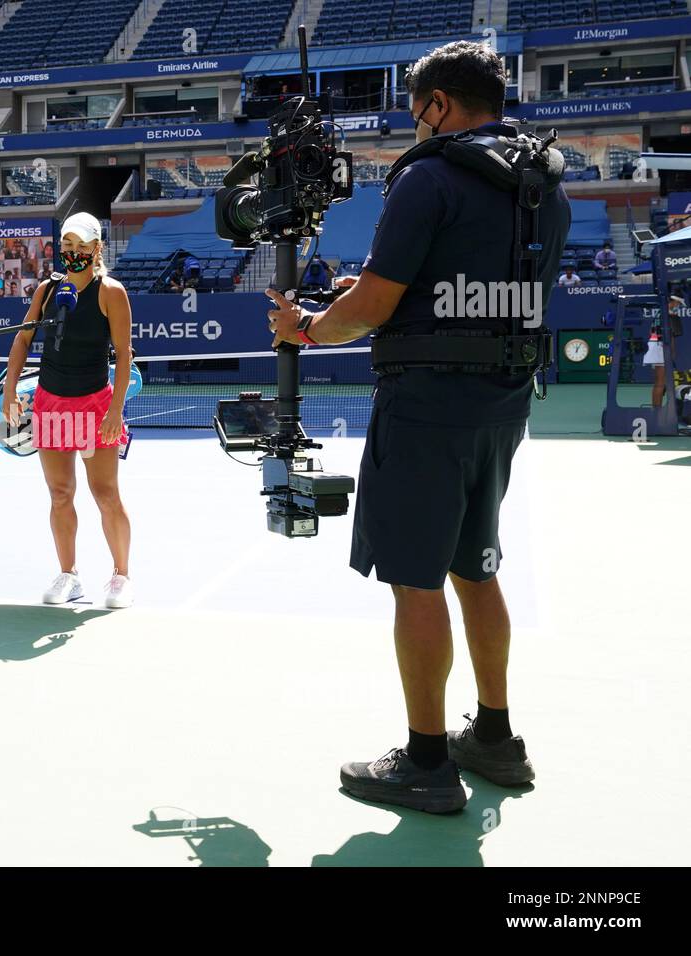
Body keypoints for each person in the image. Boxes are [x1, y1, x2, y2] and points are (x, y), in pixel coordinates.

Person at [265, 40, 570, 812]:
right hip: (503, 401)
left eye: (416, 108)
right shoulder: (544, 183)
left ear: (438, 104)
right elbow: (465, 286)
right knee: (478, 565)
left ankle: (427, 761)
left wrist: (306, 328)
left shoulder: (429, 176)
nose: (414, 121)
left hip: (426, 405)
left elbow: (369, 307)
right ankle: (495, 739)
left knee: (417, 579)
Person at [1, 211, 135, 609]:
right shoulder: (46, 290)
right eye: (67, 246)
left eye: (81, 247)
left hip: (94, 406)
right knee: (60, 494)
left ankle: (121, 576)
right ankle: (69, 575)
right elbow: (22, 341)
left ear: (97, 249)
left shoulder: (111, 292)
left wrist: (115, 410)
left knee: (105, 493)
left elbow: (124, 356)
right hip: (51, 405)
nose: (73, 253)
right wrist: (10, 391)